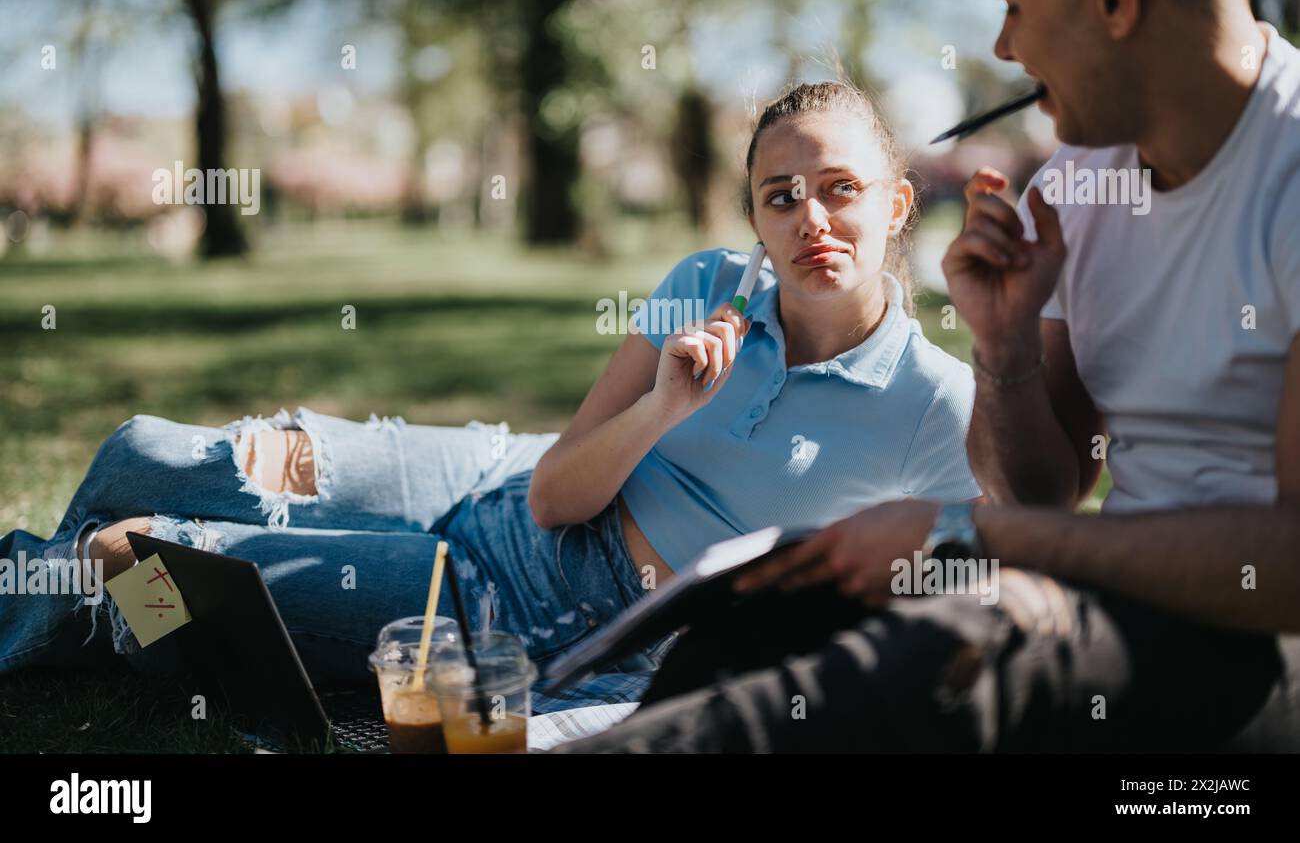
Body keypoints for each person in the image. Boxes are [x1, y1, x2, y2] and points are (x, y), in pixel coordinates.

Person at [557, 0, 1300, 752]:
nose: (1004, 46)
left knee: (945, 663)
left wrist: (963, 532)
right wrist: (1004, 342)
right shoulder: (1080, 188)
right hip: (1114, 596)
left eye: (1014, 5)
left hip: (1260, 652)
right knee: (763, 625)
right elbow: (1041, 488)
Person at [0, 82, 979, 710]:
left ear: (896, 203)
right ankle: (33, 590)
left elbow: (981, 582)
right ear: (755, 218)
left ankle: (53, 599)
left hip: (543, 608)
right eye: (779, 194)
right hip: (512, 473)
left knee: (134, 558)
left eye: (840, 187)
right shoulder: (706, 281)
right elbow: (558, 487)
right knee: (154, 450)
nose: (810, 216)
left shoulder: (935, 402)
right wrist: (661, 408)